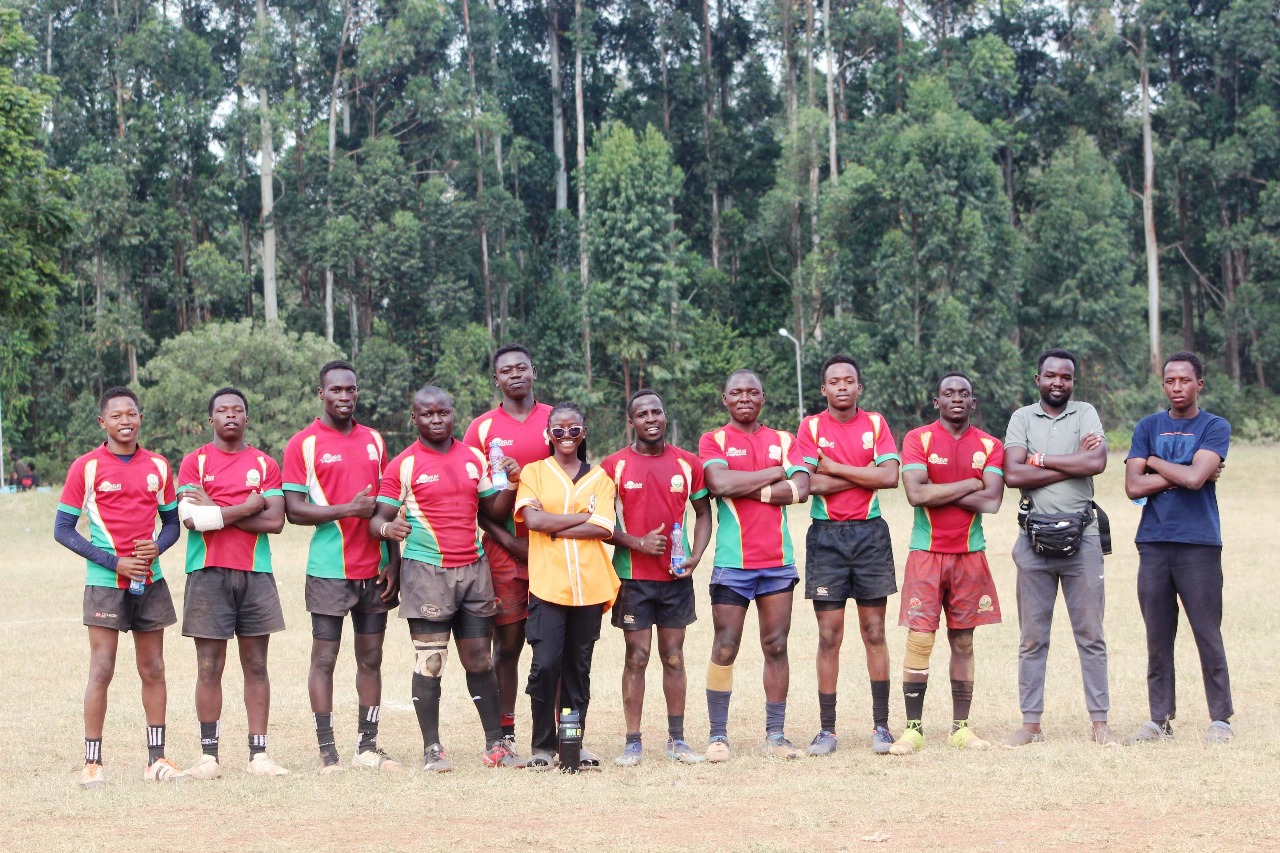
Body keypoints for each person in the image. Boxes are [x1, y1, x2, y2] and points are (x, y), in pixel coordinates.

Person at [369, 386, 521, 772]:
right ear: (414, 419)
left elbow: (493, 510)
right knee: (431, 661)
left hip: (474, 571)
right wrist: (389, 530)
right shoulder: (403, 464)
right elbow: (377, 519)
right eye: (427, 414)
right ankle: (433, 749)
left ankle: (496, 745)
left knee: (480, 659)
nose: (436, 420)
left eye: (443, 413)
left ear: (453, 414)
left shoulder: (473, 458)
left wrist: (511, 483)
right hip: (426, 573)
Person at [54, 387, 187, 788]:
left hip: (150, 580)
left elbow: (171, 524)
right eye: (116, 415)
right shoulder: (86, 467)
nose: (125, 421)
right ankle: (92, 762)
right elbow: (63, 529)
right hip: (105, 584)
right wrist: (115, 563)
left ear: (140, 418)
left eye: (131, 414)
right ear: (103, 422)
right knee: (102, 668)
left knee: (154, 668)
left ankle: (156, 759)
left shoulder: (159, 466)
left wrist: (157, 547)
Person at [282, 360, 402, 774]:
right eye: (336, 390)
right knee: (324, 659)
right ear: (321, 394)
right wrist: (347, 509)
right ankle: (327, 752)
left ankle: (367, 747)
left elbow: (388, 506)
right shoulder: (303, 444)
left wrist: (395, 561)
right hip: (329, 570)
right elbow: (294, 510)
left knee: (371, 658)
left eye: (350, 389)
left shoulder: (374, 440)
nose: (344, 396)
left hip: (375, 569)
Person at [1003, 349, 1118, 747]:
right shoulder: (1022, 418)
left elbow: (1096, 463)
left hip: (1083, 538)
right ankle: (1030, 725)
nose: (1058, 382)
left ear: (1073, 382)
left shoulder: (1086, 413)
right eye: (1050, 375)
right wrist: (1072, 460)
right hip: (1033, 540)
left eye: (1065, 377)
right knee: (1032, 637)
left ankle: (1100, 724)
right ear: (1038, 379)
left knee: (1091, 635)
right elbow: (1013, 473)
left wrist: (1039, 460)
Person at [889, 372, 1005, 755]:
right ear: (936, 402)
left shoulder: (990, 445)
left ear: (973, 402)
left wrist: (938, 491)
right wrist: (971, 483)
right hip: (926, 553)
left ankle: (961, 729)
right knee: (920, 639)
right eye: (948, 393)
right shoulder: (917, 439)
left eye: (964, 393)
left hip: (970, 555)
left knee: (964, 641)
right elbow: (916, 494)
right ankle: (913, 730)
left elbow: (992, 502)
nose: (957, 398)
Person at [698, 369, 810, 762]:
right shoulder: (713, 440)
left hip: (778, 563)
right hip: (732, 563)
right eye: (736, 392)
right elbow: (719, 485)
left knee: (776, 645)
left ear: (763, 398)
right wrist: (775, 474)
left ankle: (776, 735)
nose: (744, 398)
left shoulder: (784, 440)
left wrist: (745, 484)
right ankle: (718, 736)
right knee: (725, 645)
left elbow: (801, 489)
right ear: (724, 399)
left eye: (752, 392)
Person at [177, 387, 289, 779]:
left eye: (237, 409)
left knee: (256, 664)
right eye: (222, 410)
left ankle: (259, 756)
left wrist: (218, 510)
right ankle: (208, 756)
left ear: (247, 418)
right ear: (211, 420)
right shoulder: (194, 463)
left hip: (255, 573)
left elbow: (275, 521)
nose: (230, 415)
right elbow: (192, 520)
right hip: (207, 572)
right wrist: (247, 506)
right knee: (209, 665)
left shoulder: (265, 464)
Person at [1124, 351, 1233, 745]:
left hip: (1199, 543)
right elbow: (1133, 486)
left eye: (1185, 380)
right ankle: (1159, 720)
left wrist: (1153, 462)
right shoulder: (1148, 426)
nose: (1177, 387)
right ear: (1163, 385)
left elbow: (1195, 479)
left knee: (1207, 632)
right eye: (1170, 381)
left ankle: (1220, 719)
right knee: (1157, 636)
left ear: (1199, 384)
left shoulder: (1214, 426)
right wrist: (1181, 470)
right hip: (1153, 542)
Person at [796, 355, 901, 756]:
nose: (842, 386)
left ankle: (881, 726)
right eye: (834, 381)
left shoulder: (875, 424)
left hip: (870, 535)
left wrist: (835, 467)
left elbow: (889, 477)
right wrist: (863, 473)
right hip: (826, 537)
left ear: (860, 387)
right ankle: (827, 730)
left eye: (849, 380)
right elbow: (807, 484)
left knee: (874, 632)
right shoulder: (811, 426)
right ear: (824, 389)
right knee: (829, 636)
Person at [603, 390, 712, 766]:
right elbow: (600, 523)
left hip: (675, 576)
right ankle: (633, 742)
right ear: (630, 422)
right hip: (632, 578)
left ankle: (677, 740)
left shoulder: (688, 463)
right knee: (637, 656)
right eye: (642, 414)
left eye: (657, 412)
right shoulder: (613, 466)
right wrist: (637, 543)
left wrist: (696, 557)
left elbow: (704, 513)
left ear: (665, 416)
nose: (651, 418)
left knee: (674, 656)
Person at [513, 402, 618, 769]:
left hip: (589, 586)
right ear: (549, 434)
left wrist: (554, 525)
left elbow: (603, 528)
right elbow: (532, 521)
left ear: (583, 433)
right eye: (558, 430)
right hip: (548, 586)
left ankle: (573, 743)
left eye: (574, 429)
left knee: (578, 667)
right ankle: (542, 746)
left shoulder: (600, 478)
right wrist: (578, 517)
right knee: (545, 665)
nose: (566, 436)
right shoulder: (534, 472)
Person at [462, 343, 554, 755]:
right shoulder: (481, 429)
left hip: (554, 546)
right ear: (496, 379)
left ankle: (557, 729)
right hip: (503, 551)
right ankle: (505, 732)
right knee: (508, 644)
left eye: (522, 367)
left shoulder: (555, 420)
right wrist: (507, 541)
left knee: (553, 645)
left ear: (534, 371)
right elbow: (474, 498)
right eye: (506, 370)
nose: (515, 374)